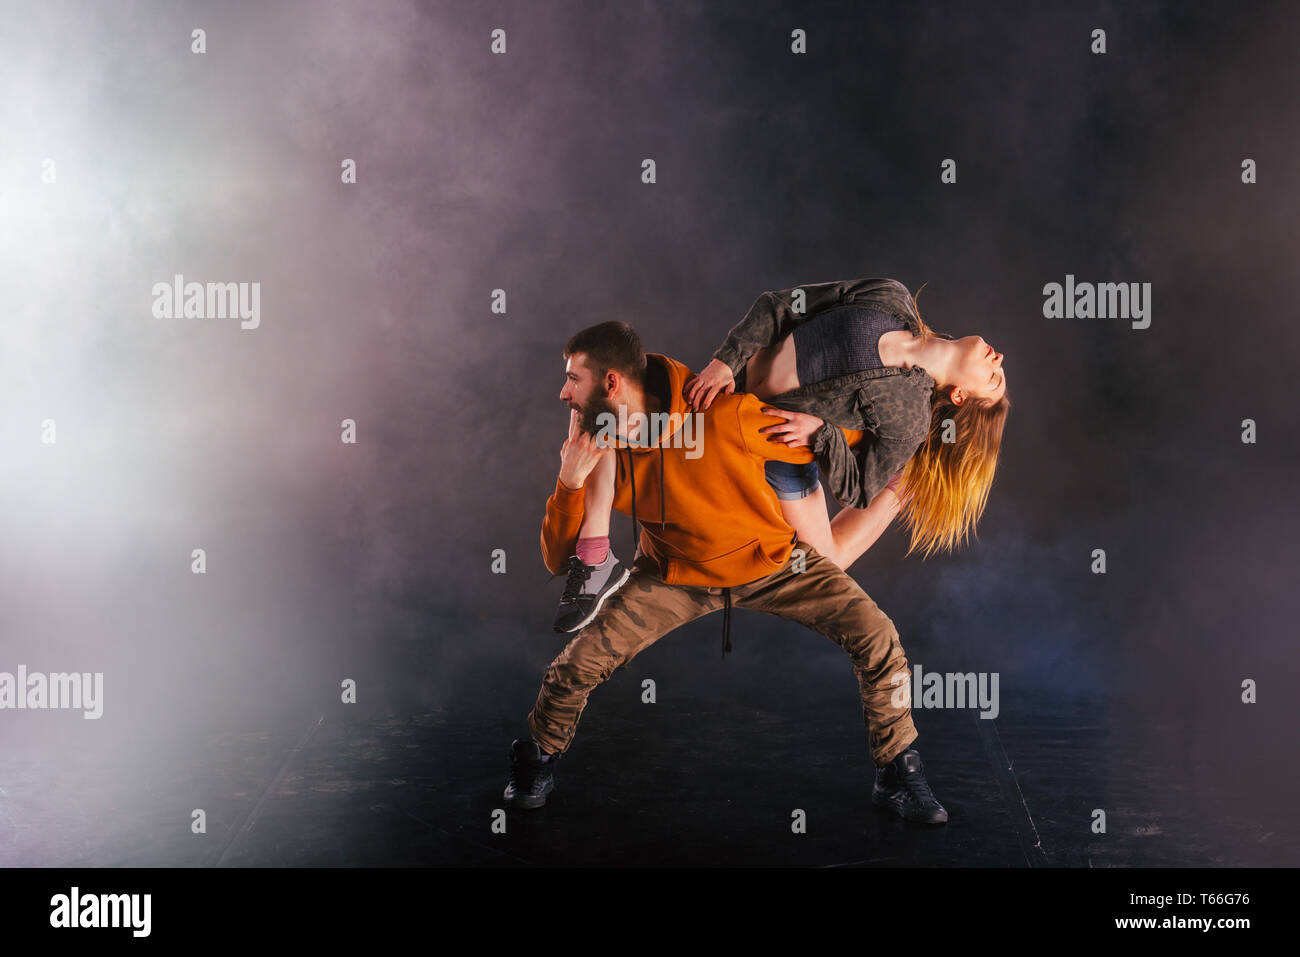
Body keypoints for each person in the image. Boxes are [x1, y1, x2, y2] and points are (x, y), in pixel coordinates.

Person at [504, 320, 948, 824]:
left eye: (572, 379)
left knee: (879, 639)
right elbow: (558, 558)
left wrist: (832, 431)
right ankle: (537, 757)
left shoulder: (725, 416)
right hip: (673, 575)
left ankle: (897, 772)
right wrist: (568, 481)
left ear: (612, 383)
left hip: (775, 564)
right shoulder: (598, 449)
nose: (563, 393)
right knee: (576, 665)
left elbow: (845, 437)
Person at [551, 278, 1010, 634]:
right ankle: (595, 558)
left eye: (994, 380)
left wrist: (823, 434)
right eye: (1000, 369)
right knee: (604, 415)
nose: (999, 359)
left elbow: (858, 489)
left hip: (782, 450)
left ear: (959, 397)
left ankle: (903, 486)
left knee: (826, 562)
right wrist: (725, 361)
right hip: (727, 400)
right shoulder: (890, 298)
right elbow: (779, 305)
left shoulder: (908, 416)